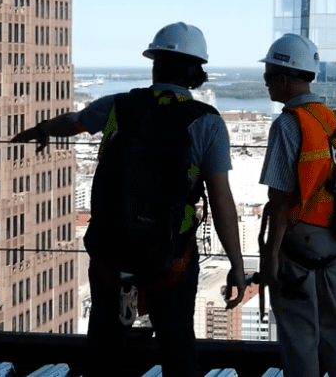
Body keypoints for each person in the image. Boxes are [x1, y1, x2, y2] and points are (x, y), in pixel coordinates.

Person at [12, 22, 246, 377]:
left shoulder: (118, 106)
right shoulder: (207, 123)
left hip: (112, 252)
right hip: (173, 258)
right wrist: (237, 265)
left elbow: (75, 122)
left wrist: (42, 130)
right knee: (178, 347)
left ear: (155, 64)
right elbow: (222, 202)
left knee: (104, 351)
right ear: (196, 73)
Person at [258, 34, 336, 377]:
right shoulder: (335, 122)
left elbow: (281, 199)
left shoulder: (288, 125)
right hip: (332, 239)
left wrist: (270, 255)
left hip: (298, 242)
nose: (267, 84)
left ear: (284, 79)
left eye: (269, 76)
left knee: (300, 334)